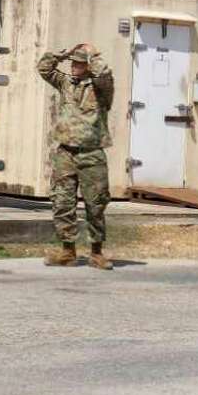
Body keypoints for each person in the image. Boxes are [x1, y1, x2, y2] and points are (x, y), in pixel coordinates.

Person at [38, 42, 115, 270]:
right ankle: (67, 251)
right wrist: (63, 54)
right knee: (62, 201)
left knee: (96, 204)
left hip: (91, 153)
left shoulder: (101, 87)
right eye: (73, 63)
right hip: (66, 152)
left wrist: (94, 53)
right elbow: (44, 68)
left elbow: (104, 73)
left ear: (88, 66)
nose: (74, 67)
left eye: (79, 64)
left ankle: (96, 253)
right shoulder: (65, 82)